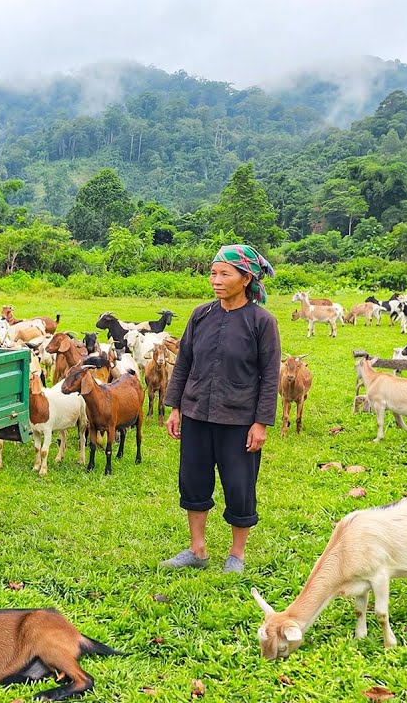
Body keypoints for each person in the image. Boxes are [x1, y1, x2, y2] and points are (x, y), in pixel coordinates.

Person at [160, 244, 281, 574]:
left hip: (239, 420)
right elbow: (184, 361)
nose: (216, 280)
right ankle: (197, 550)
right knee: (193, 482)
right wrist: (175, 408)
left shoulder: (261, 321)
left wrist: (261, 423)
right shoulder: (201, 315)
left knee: (240, 486)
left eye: (224, 274)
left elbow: (270, 375)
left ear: (245, 279)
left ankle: (236, 555)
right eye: (213, 273)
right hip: (197, 414)